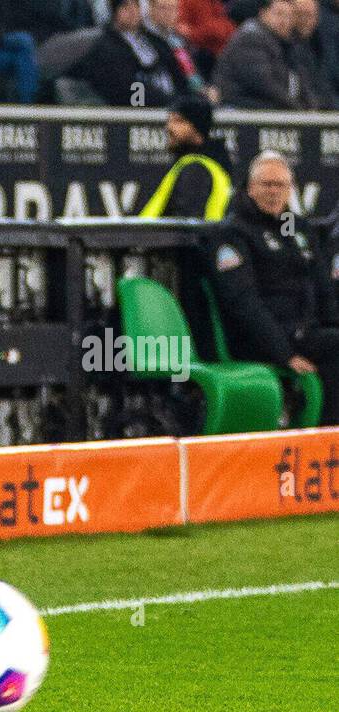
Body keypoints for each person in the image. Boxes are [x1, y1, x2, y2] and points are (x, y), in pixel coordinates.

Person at [205, 151, 339, 425]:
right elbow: (243, 303)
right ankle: (325, 442)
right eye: (267, 184)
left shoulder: (298, 230)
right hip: (262, 341)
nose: (274, 192)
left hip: (306, 333)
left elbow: (323, 288)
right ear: (250, 188)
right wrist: (284, 353)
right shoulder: (233, 234)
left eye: (281, 185)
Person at [69, 0, 191, 106]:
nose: (132, 10)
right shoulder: (106, 46)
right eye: (126, 6)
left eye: (136, 5)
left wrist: (188, 99)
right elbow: (127, 89)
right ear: (115, 12)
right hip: (139, 110)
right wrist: (169, 101)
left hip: (174, 104)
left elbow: (177, 74)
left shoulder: (154, 40)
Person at [139, 93, 232, 220]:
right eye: (169, 121)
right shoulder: (198, 163)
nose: (169, 127)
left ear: (197, 126)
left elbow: (186, 227)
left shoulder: (196, 169)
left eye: (179, 121)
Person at [214, 0, 316, 108]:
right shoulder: (251, 38)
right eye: (279, 14)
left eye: (289, 17)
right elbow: (263, 84)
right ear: (263, 13)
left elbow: (299, 81)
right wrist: (296, 108)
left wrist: (310, 107)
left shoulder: (286, 45)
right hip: (244, 112)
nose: (284, 21)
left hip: (270, 112)